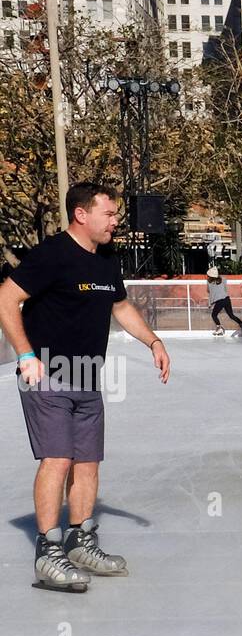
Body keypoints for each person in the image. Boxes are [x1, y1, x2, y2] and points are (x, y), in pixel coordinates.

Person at [0, 181, 171, 592]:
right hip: (47, 375)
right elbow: (6, 298)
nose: (115, 221)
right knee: (58, 459)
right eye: (109, 214)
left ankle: (80, 540)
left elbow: (121, 306)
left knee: (88, 463)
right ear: (82, 214)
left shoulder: (106, 260)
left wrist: (153, 340)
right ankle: (48, 551)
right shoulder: (51, 255)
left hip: (87, 378)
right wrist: (25, 356)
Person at [206, 265, 242, 337]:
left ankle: (219, 328)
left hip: (220, 301)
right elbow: (225, 289)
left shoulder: (209, 283)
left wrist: (210, 303)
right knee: (231, 315)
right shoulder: (223, 279)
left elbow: (210, 293)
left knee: (214, 315)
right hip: (226, 299)